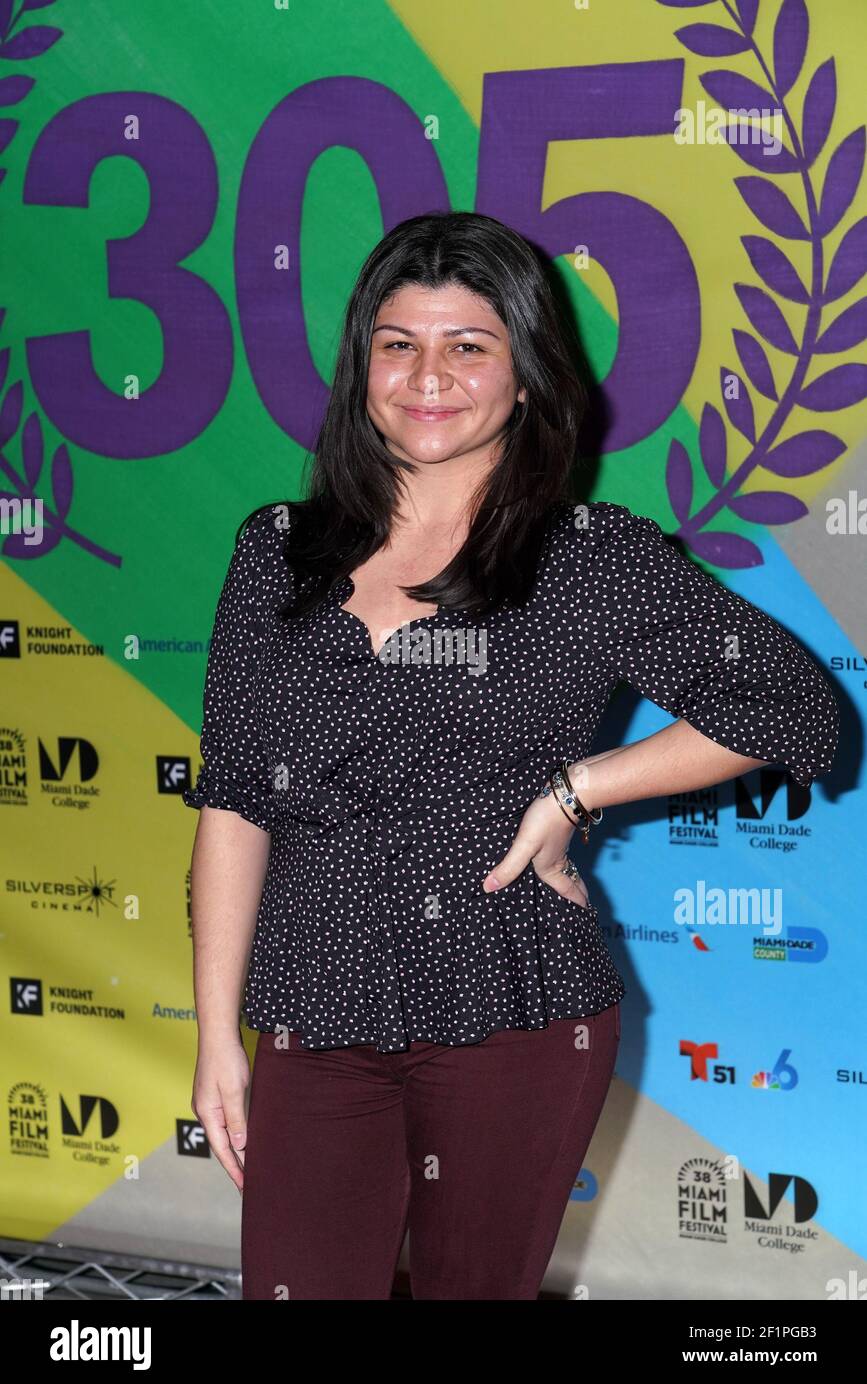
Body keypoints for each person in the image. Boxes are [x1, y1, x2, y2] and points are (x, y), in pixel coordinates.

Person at [183, 211, 839, 1301]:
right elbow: (235, 804)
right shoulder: (275, 554)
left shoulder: (588, 560)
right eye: (398, 343)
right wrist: (218, 1035)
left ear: (527, 376)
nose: (427, 375)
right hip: (315, 1016)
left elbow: (796, 712)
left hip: (515, 1013)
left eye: (468, 346)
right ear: (361, 367)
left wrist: (578, 790)